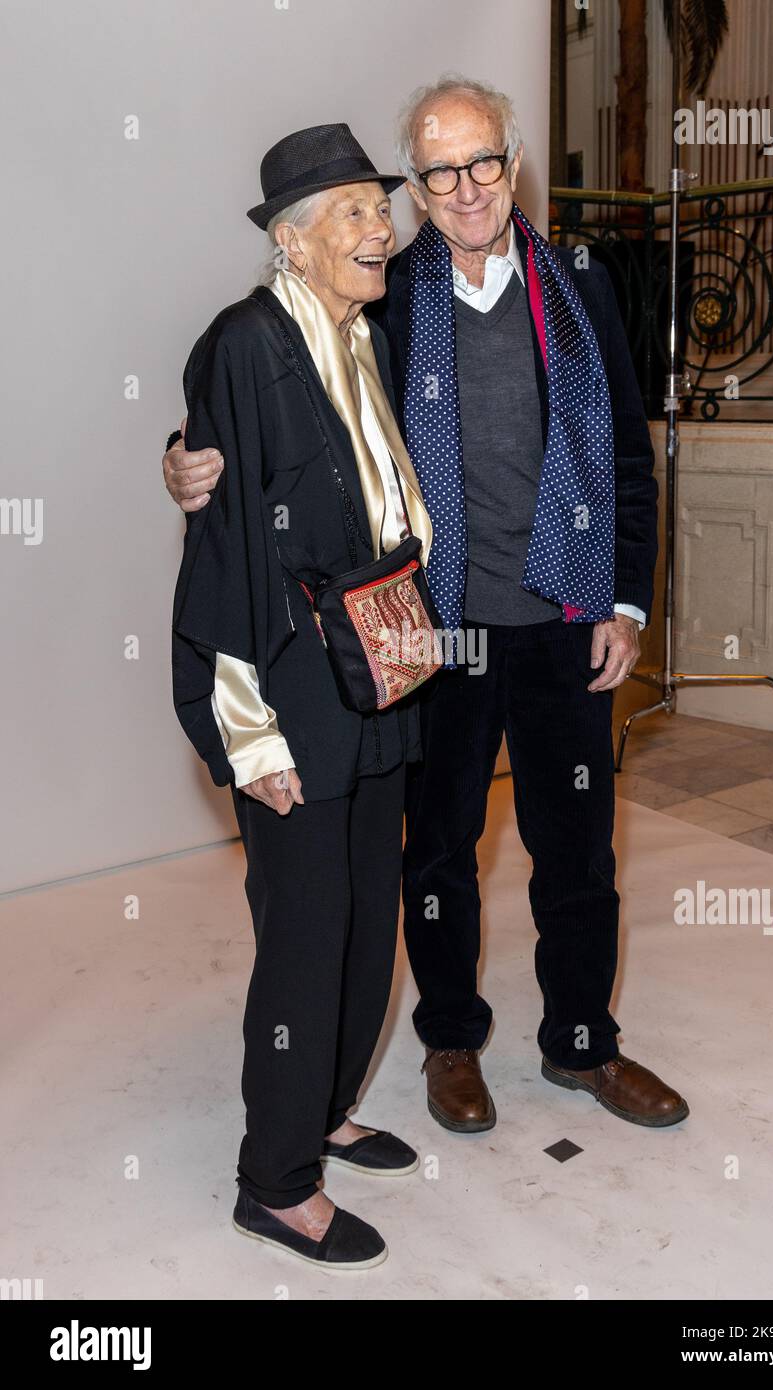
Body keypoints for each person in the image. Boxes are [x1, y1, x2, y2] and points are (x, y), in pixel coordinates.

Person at [166, 77, 688, 1141]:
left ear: (513, 161)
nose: (464, 188)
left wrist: (625, 599)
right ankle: (449, 1037)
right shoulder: (382, 291)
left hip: (562, 615)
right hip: (430, 631)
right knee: (438, 852)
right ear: (413, 187)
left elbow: (627, 455)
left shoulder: (581, 282)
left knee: (577, 852)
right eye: (438, 171)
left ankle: (581, 1039)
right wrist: (181, 462)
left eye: (482, 161)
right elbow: (274, 401)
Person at [171, 123, 435, 1269]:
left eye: (380, 209)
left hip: (374, 670)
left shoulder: (356, 334)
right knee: (304, 933)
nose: (381, 228)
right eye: (352, 215)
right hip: (290, 694)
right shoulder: (245, 343)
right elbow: (222, 550)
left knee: (367, 915)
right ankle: (274, 1179)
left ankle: (324, 1107)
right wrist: (246, 735)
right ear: (291, 242)